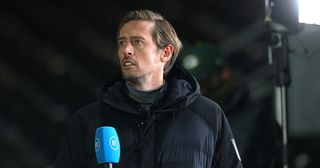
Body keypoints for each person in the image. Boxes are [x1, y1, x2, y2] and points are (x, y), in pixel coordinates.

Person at [55, 9, 243, 168]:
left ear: (165, 53)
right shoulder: (88, 120)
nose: (126, 50)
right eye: (122, 42)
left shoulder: (208, 115)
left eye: (137, 41)